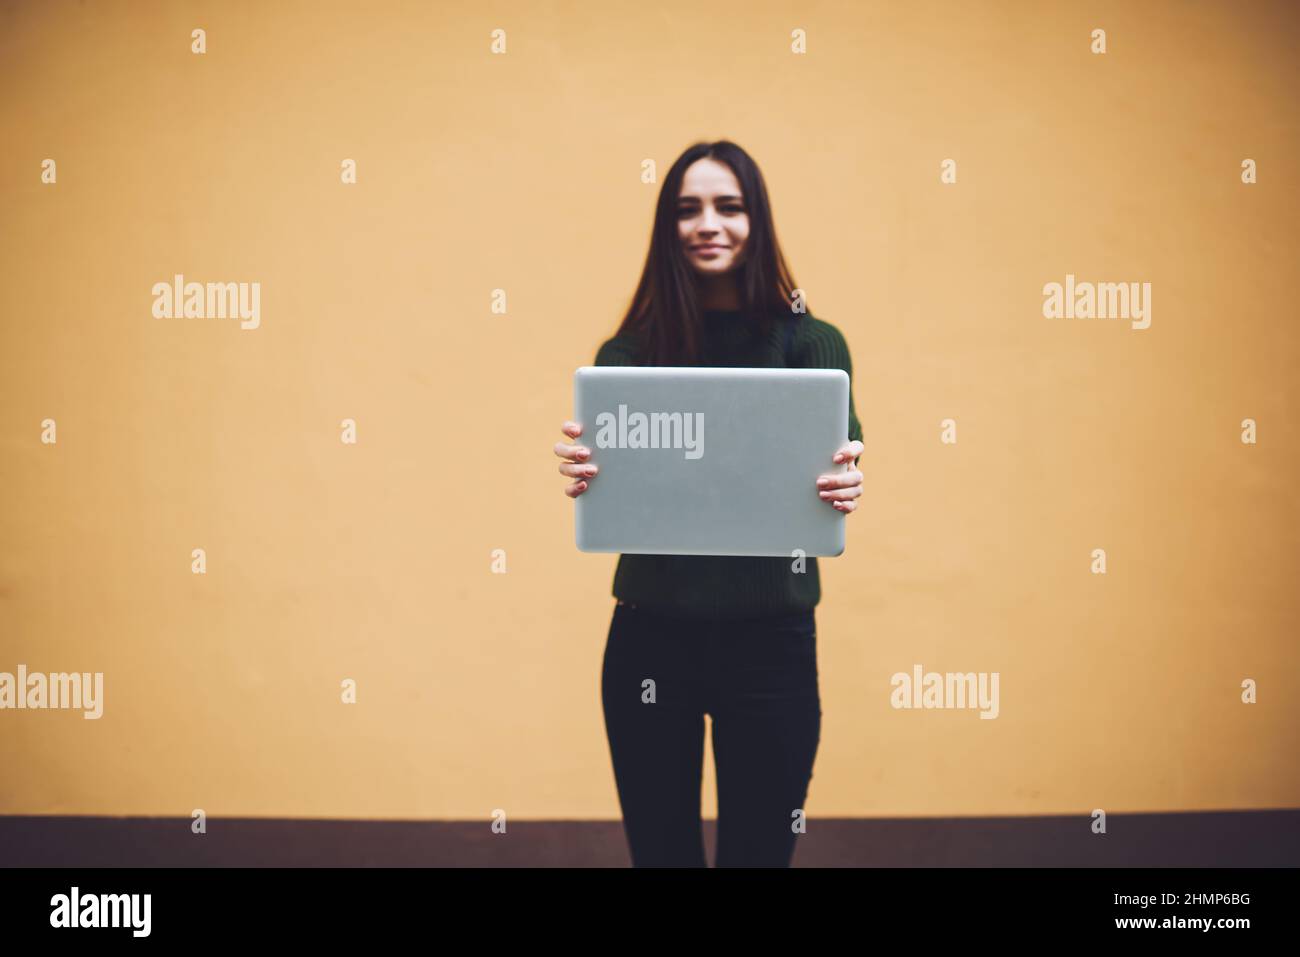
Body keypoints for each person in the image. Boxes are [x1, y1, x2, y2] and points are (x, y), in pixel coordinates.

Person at [553, 140, 865, 867]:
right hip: (649, 643)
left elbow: (845, 446)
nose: (708, 223)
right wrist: (584, 467)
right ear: (669, 228)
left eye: (729, 205)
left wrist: (852, 473)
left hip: (773, 646)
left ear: (757, 220)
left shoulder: (812, 344)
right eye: (688, 209)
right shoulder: (626, 356)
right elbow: (612, 477)